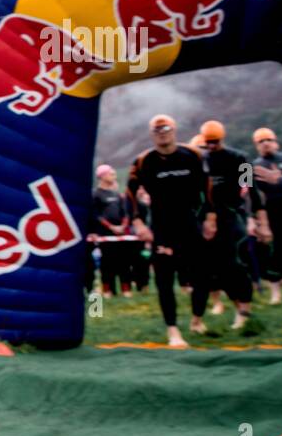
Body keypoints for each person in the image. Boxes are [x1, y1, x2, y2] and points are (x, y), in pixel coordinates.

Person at [127, 115, 212, 348]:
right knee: (165, 279)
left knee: (202, 276)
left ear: (174, 130)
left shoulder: (193, 155)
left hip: (190, 222)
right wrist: (138, 222)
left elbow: (208, 188)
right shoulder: (144, 160)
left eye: (166, 128)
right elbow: (131, 192)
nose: (162, 132)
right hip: (162, 226)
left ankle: (197, 319)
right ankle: (173, 330)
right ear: (152, 134)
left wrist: (210, 217)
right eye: (156, 130)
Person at [196, 121, 256, 329]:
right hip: (208, 217)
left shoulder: (239, 157)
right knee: (215, 266)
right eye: (208, 142)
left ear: (222, 138)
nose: (211, 146)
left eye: (215, 142)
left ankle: (245, 307)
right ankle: (233, 305)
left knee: (233, 264)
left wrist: (253, 215)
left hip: (231, 215)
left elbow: (249, 185)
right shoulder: (201, 159)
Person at [250, 127, 282, 306]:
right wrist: (252, 217)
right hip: (264, 215)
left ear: (275, 141)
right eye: (261, 141)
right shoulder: (249, 165)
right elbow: (244, 192)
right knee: (268, 256)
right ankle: (275, 293)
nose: (265, 143)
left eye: (268, 139)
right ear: (256, 145)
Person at [90, 165, 135, 298]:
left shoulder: (117, 194)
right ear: (102, 176)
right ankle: (107, 289)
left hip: (121, 234)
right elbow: (96, 215)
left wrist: (123, 226)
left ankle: (126, 288)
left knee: (124, 262)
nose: (114, 176)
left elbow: (125, 212)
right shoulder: (96, 194)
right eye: (111, 173)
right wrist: (111, 227)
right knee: (107, 262)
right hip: (105, 234)